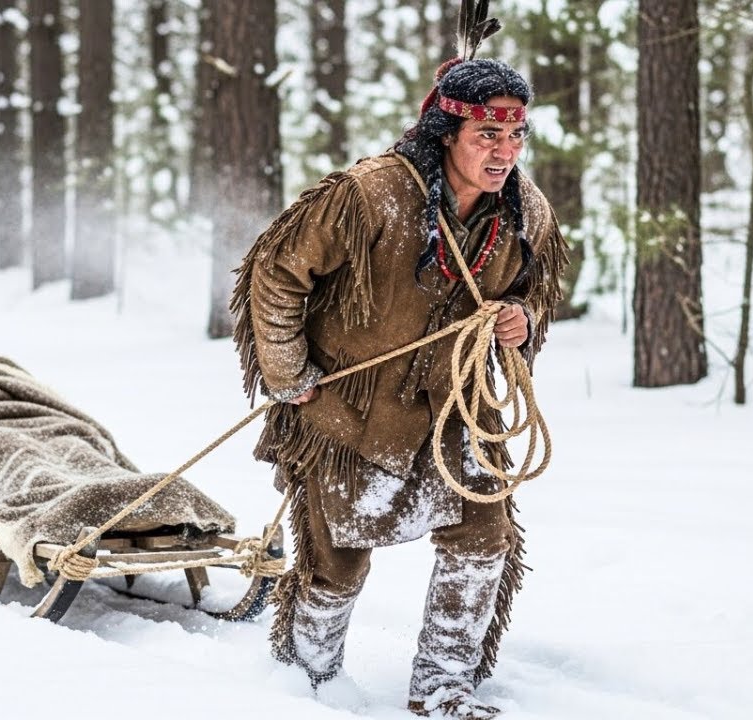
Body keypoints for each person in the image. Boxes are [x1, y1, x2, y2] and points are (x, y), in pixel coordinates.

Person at [231, 52, 567, 719]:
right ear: (448, 132)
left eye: (515, 135)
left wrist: (520, 318)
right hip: (349, 411)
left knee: (484, 539)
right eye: (487, 136)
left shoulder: (526, 209)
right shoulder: (369, 194)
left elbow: (538, 288)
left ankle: (445, 688)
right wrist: (289, 373)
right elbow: (275, 272)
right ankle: (309, 681)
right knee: (338, 561)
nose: (505, 151)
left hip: (457, 410)